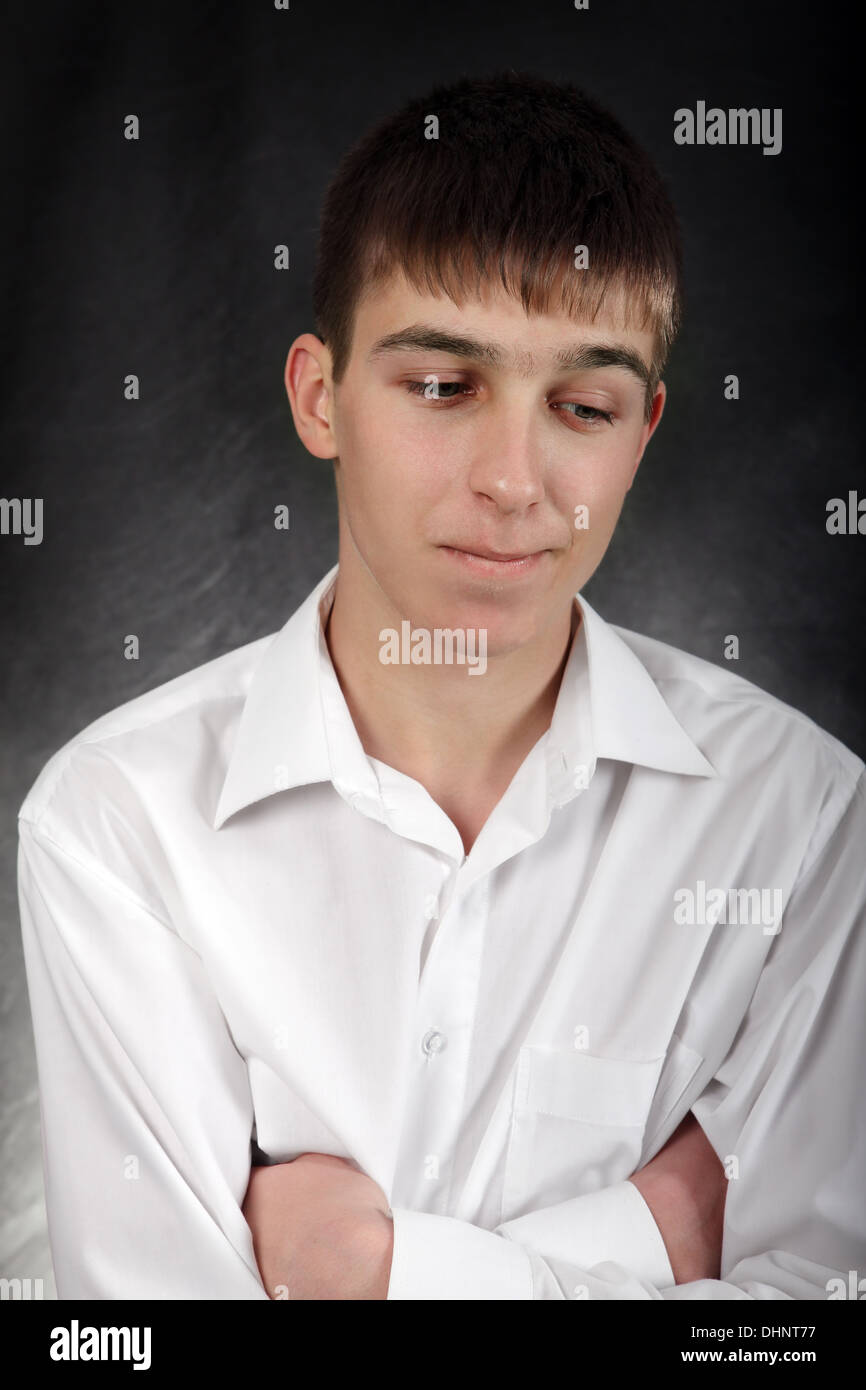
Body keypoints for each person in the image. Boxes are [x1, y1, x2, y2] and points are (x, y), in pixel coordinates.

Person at [18, 70, 865, 1301]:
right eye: (440, 386)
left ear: (641, 433)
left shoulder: (805, 823)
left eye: (581, 404)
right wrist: (656, 1234)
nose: (514, 480)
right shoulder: (116, 825)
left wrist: (380, 1270)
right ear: (320, 397)